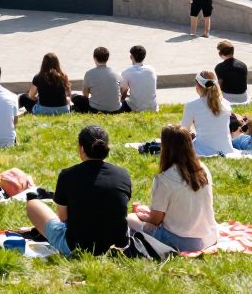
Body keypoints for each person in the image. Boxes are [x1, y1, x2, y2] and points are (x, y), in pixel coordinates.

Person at [25, 125, 131, 257]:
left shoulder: (67, 175)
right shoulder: (123, 174)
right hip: (118, 247)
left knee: (33, 205)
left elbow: (63, 218)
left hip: (77, 247)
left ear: (81, 149)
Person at [127, 124, 218, 252]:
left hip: (181, 242)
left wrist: (143, 215)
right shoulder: (203, 169)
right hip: (209, 236)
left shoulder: (164, 179)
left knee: (130, 219)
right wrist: (147, 212)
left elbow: (155, 221)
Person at [181, 70, 235, 157]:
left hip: (202, 150)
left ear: (198, 85)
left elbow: (183, 131)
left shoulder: (191, 106)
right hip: (227, 149)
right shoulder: (226, 104)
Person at [72, 46, 122, 114]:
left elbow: (85, 94)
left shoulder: (89, 73)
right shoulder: (116, 74)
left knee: (75, 97)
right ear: (108, 58)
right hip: (116, 109)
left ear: (94, 58)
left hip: (96, 109)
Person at [120, 45, 158, 112]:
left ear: (131, 57)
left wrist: (121, 99)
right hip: (153, 108)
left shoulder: (126, 72)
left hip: (136, 107)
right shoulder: (152, 70)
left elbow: (124, 92)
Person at [215, 40, 248, 105]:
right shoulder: (243, 64)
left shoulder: (219, 67)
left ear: (220, 54)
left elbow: (219, 86)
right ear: (232, 52)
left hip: (228, 98)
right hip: (243, 97)